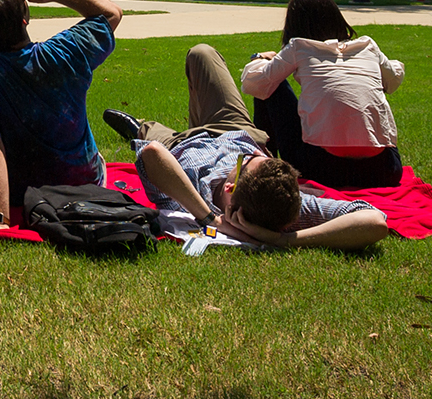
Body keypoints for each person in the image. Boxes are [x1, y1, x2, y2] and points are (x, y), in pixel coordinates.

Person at [101, 45, 389, 250]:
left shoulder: (188, 201)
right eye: (258, 156)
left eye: (245, 161)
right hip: (233, 129)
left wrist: (210, 218)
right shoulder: (291, 205)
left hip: (179, 147)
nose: (251, 155)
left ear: (229, 189)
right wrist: (284, 240)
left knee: (147, 135)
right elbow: (376, 220)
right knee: (202, 53)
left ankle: (136, 126)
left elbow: (153, 155)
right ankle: (148, 125)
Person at [0, 0, 123, 226]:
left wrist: (0, 220)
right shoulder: (67, 51)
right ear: (25, 20)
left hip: (22, 193)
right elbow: (111, 13)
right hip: (84, 184)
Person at [238, 0, 405, 189]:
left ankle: (264, 164)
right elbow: (394, 80)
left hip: (324, 170)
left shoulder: (298, 47)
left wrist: (260, 58)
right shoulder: (367, 46)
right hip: (385, 170)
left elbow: (254, 83)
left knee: (271, 85)